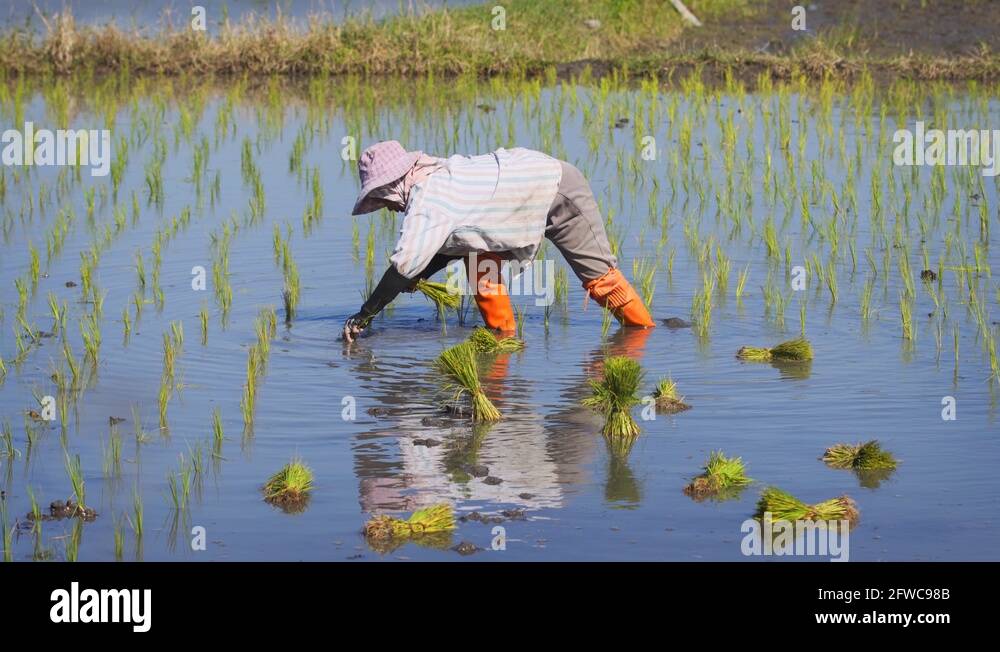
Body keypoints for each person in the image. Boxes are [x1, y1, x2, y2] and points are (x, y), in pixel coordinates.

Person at [342, 140, 655, 342]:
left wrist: (364, 315)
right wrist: (421, 275)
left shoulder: (430, 197)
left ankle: (642, 336)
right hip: (522, 198)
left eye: (383, 200)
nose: (389, 208)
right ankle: (503, 338)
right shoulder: (433, 184)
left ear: (391, 186)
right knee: (479, 265)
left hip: (557, 190)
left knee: (601, 280)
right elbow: (451, 243)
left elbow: (403, 265)